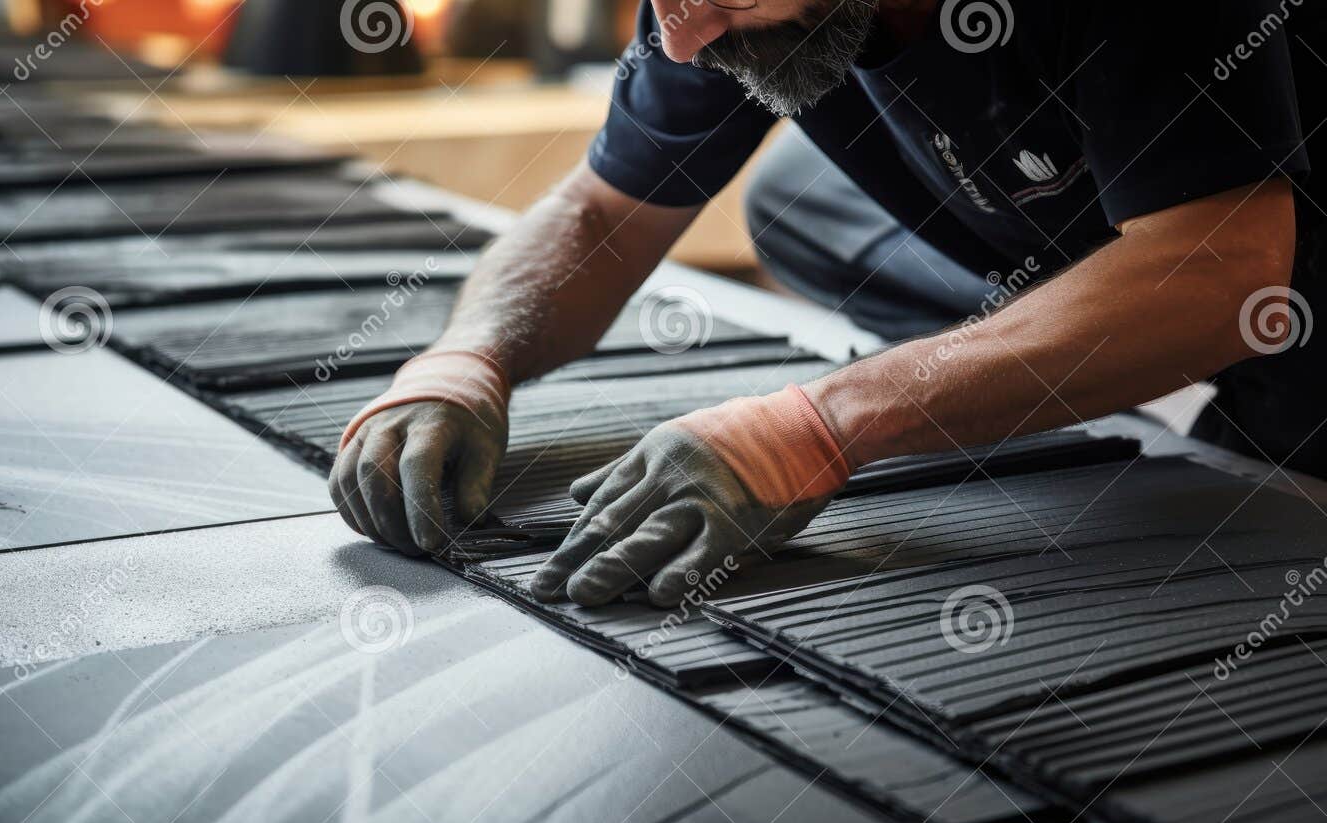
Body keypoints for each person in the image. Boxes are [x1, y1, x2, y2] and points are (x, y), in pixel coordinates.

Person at [330, 0, 1324, 609]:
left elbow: (1217, 270)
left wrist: (824, 424)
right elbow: (599, 213)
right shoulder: (712, 7)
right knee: (792, 203)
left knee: (1270, 514)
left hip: (1279, 269)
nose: (680, 38)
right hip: (1102, 215)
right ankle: (1070, 324)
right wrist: (467, 360)